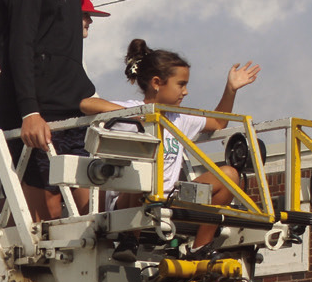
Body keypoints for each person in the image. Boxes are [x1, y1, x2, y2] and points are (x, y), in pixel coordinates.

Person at [0, 0, 109, 220]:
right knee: (49, 215)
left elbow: (65, 58)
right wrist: (29, 111)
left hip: (70, 112)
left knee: (89, 209)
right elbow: (20, 40)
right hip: (37, 113)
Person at [90, 39, 260, 250]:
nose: (186, 91)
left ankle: (199, 248)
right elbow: (87, 104)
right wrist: (134, 116)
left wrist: (231, 89)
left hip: (170, 198)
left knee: (230, 175)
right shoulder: (132, 109)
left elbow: (218, 122)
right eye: (181, 84)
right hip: (129, 203)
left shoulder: (180, 118)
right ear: (156, 83)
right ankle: (129, 240)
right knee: (143, 174)